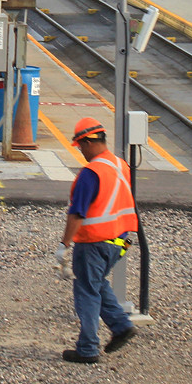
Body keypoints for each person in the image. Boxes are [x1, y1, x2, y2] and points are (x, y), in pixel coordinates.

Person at [57, 116, 139, 363]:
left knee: (87, 291)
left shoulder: (91, 173)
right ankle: (121, 326)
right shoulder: (120, 165)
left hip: (94, 242)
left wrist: (64, 245)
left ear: (89, 142)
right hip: (121, 241)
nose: (81, 151)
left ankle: (88, 348)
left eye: (81, 146)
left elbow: (77, 213)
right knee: (96, 283)